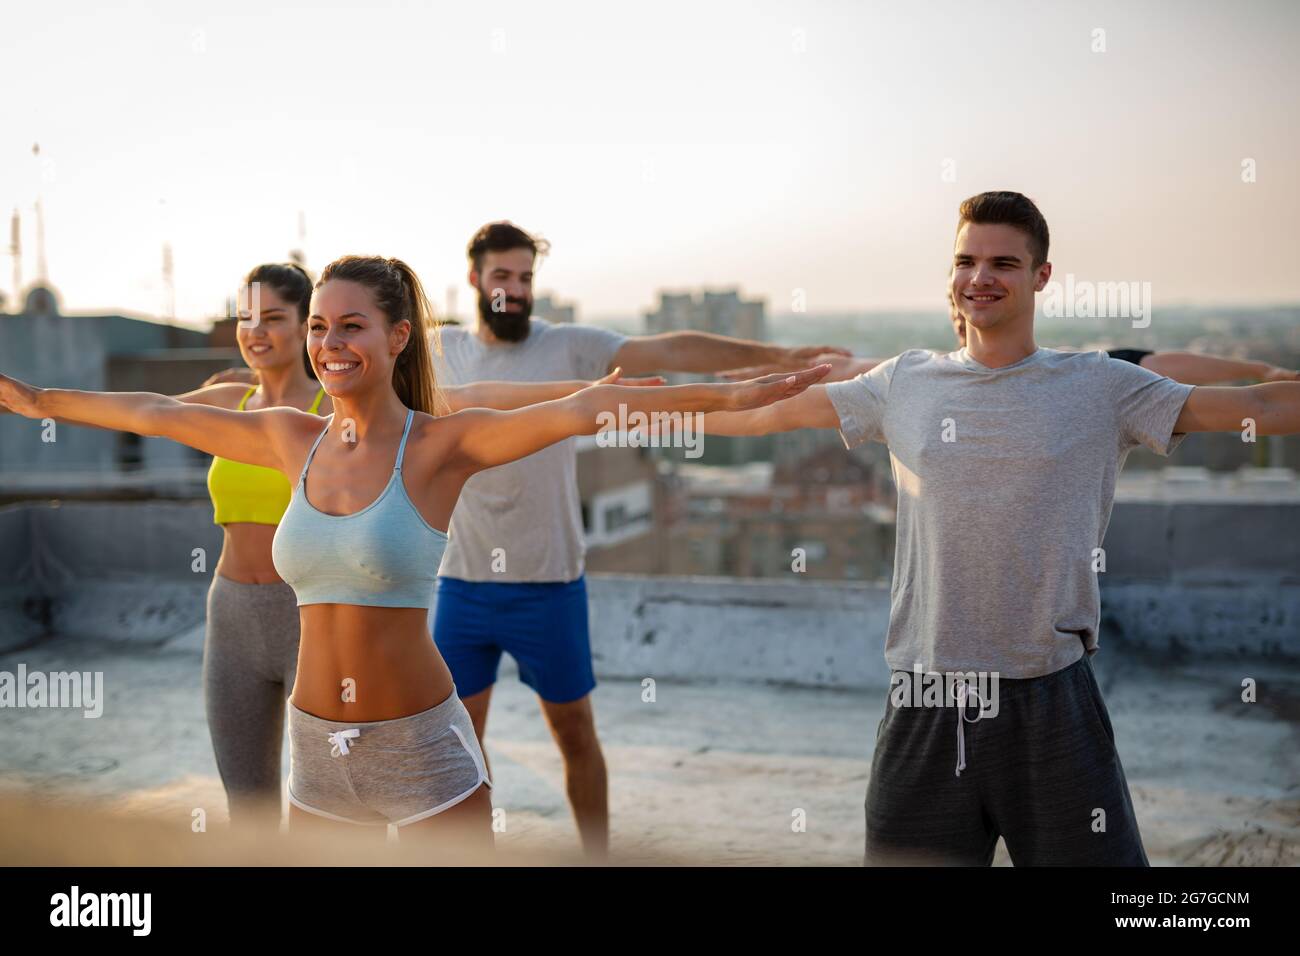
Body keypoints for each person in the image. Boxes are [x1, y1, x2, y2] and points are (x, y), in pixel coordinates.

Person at [0, 253, 828, 851]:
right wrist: (36, 399)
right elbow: (157, 413)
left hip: (421, 750)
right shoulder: (290, 439)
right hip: (316, 757)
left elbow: (586, 410)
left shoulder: (439, 446)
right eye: (318, 327)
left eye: (351, 326)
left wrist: (736, 398)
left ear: (399, 335)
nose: (329, 344)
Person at [691, 191, 1300, 865]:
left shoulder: (1101, 385)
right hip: (923, 698)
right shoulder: (903, 381)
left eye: (1003, 263)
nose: (980, 277)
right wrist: (632, 409)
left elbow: (1262, 406)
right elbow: (765, 415)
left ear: (1041, 276)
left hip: (1051, 699)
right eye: (966, 261)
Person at [429, 221, 849, 858]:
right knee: (461, 741)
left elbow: (668, 347)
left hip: (549, 584)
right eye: (502, 277)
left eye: (525, 278)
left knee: (575, 733)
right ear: (474, 279)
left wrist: (776, 357)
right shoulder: (442, 351)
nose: (515, 290)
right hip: (462, 583)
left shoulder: (568, 345)